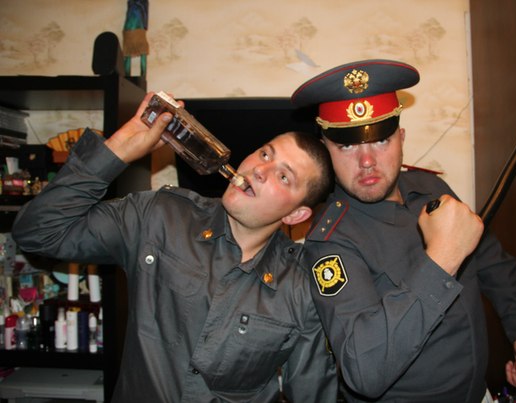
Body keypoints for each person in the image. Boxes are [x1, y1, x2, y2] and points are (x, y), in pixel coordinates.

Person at [11, 92, 338, 402]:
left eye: (284, 177)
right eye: (265, 154)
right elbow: (38, 232)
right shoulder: (160, 217)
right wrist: (120, 148)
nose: (260, 170)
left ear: (296, 215)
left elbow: (311, 392)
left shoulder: (301, 286)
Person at [291, 59, 516, 402]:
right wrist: (442, 259)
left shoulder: (433, 189)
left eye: (381, 140)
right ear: (327, 150)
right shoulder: (331, 242)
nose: (366, 161)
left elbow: (493, 262)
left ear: (401, 138)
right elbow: (364, 371)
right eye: (346, 145)